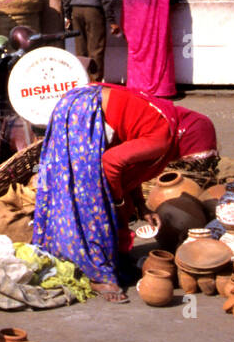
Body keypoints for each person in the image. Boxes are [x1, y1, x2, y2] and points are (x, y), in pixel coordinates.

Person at [32, 83, 216, 302]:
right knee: (89, 196)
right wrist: (119, 202)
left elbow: (130, 168)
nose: (185, 160)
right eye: (191, 154)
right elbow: (111, 163)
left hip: (80, 102)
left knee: (92, 192)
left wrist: (140, 206)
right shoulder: (162, 139)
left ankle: (95, 257)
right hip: (82, 108)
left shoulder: (168, 127)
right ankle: (98, 273)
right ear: (190, 139)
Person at [121, 0, 175, 97]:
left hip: (138, 27)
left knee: (139, 57)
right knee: (159, 52)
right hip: (158, 24)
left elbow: (128, 6)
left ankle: (139, 87)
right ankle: (162, 88)